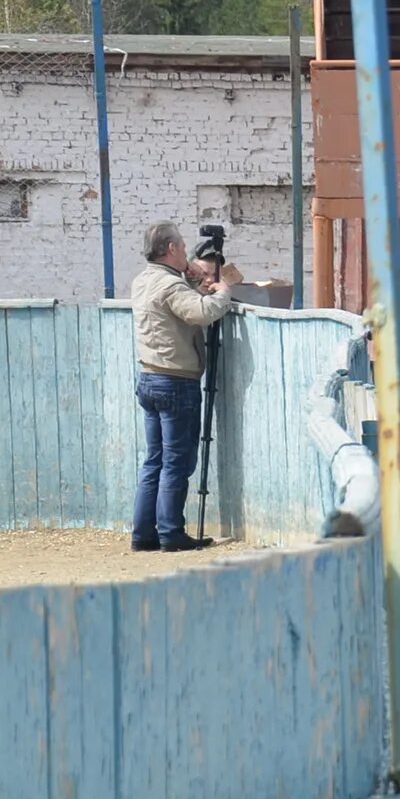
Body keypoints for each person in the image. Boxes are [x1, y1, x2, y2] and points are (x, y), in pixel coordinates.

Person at [125, 221, 241, 553]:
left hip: (149, 377)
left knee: (155, 460)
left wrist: (191, 280)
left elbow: (178, 304)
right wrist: (222, 293)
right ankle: (172, 533)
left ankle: (143, 534)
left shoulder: (144, 280)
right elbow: (202, 313)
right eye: (181, 246)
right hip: (176, 382)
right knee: (177, 461)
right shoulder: (170, 286)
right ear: (172, 248)